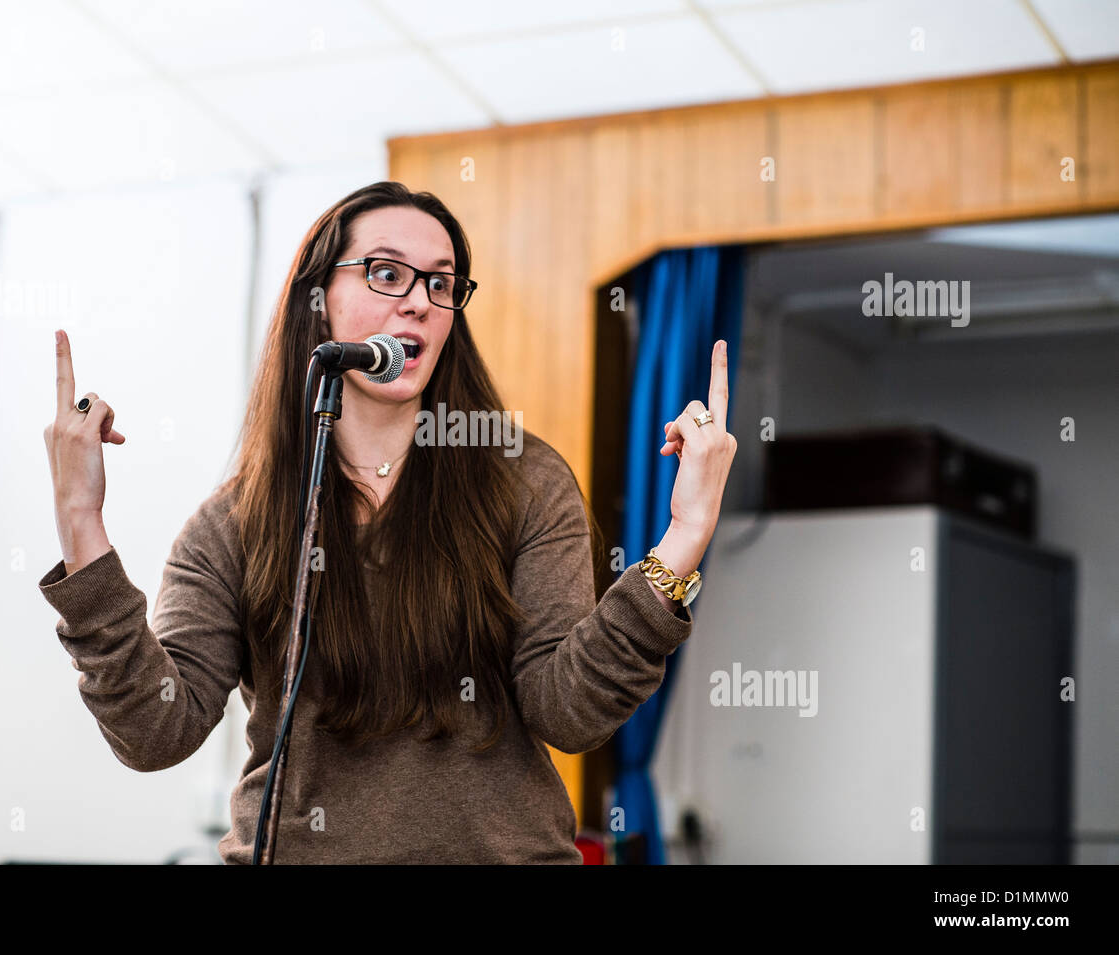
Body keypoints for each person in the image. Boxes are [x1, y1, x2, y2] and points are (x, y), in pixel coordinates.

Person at [40, 180, 737, 864]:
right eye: (386, 273)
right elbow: (155, 731)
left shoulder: (523, 481)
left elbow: (568, 711)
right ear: (319, 304)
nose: (418, 303)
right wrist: (82, 523)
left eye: (441, 283)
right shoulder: (233, 523)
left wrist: (684, 535)